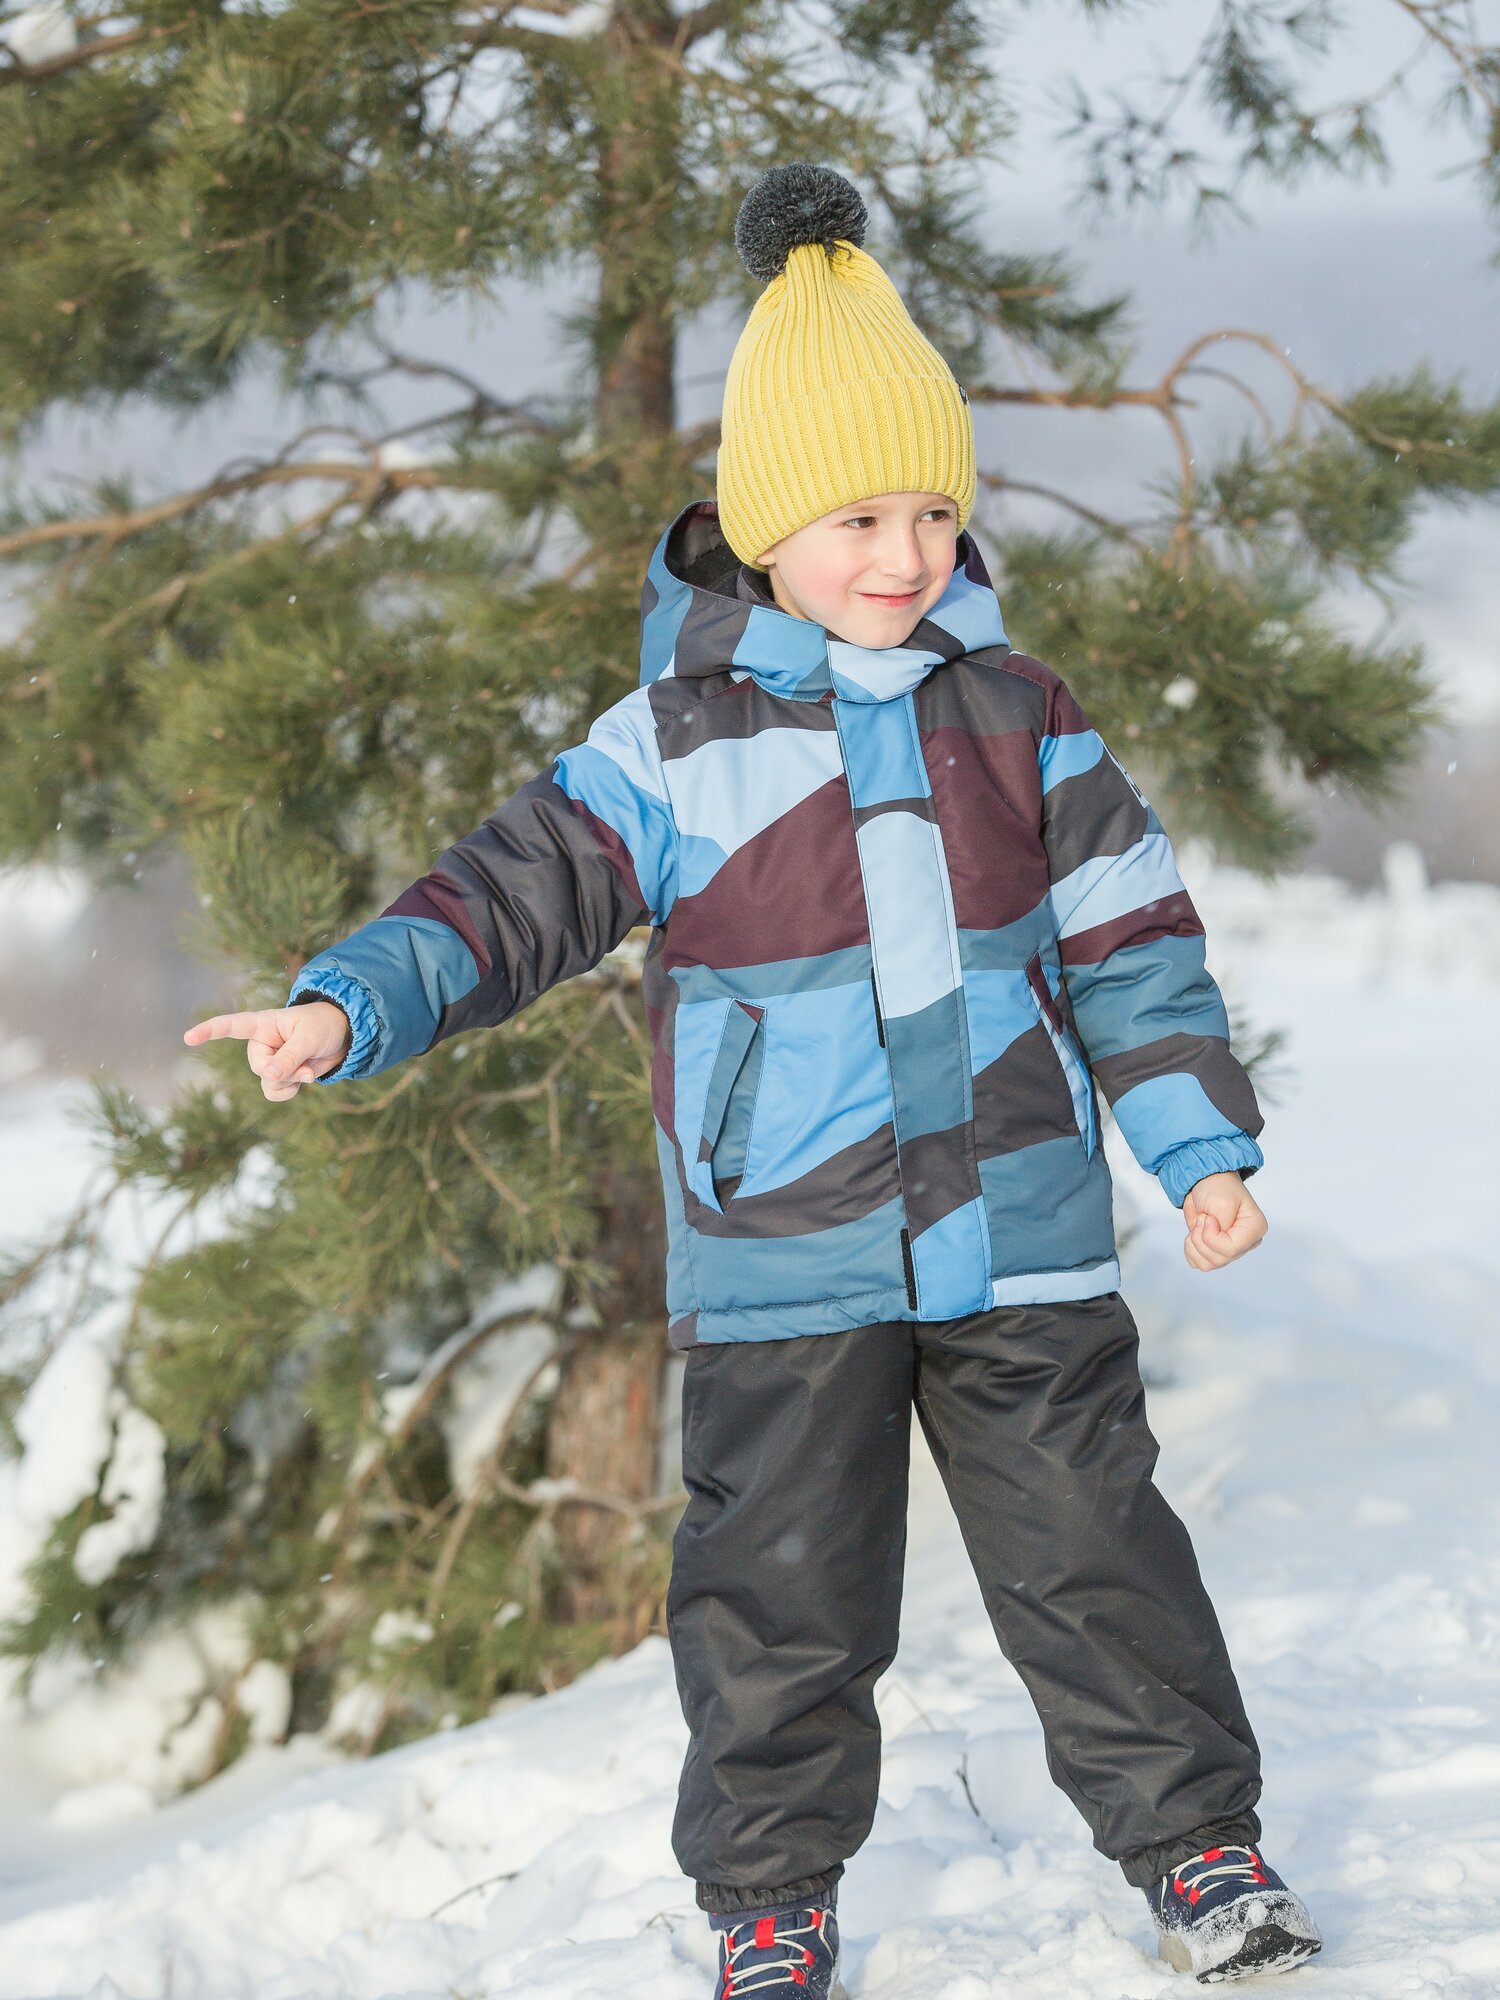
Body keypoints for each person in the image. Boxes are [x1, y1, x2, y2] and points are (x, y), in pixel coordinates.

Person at [184, 164, 1323, 1992]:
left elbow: (1132, 941)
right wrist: (350, 1004)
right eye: (857, 513)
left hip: (1024, 1233)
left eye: (934, 508)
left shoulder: (1025, 715)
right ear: (762, 519)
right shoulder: (676, 745)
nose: (903, 552)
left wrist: (1191, 1139)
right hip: (781, 1250)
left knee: (1101, 1560)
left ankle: (1204, 1852)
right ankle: (772, 1902)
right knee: (780, 1601)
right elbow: (510, 895)